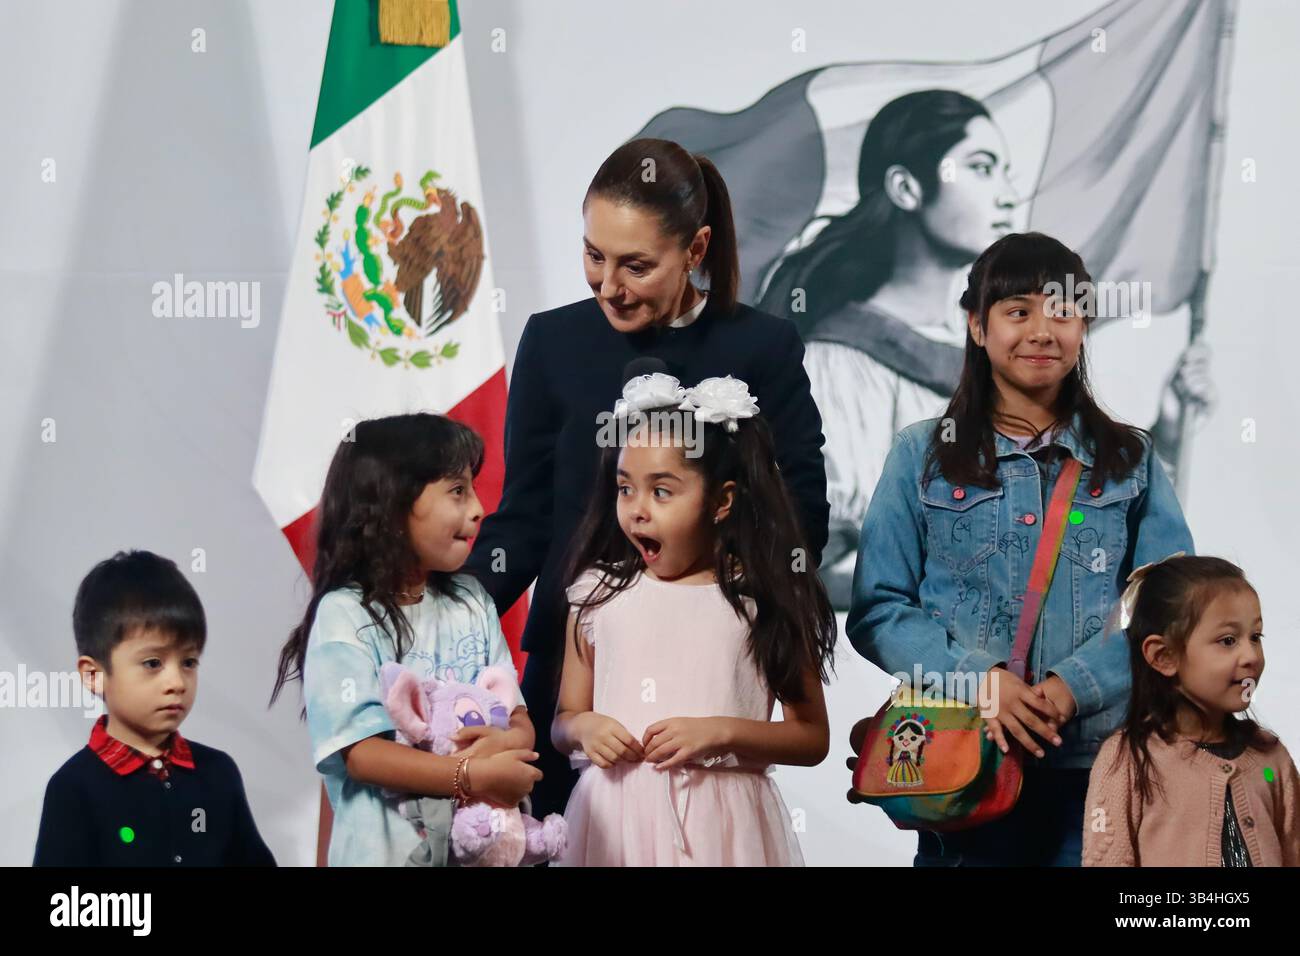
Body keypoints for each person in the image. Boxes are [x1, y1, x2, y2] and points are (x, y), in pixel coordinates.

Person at [463, 137, 830, 818]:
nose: (607, 285)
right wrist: (442, 612)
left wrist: (713, 590)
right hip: (575, 666)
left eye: (635, 265)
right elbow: (524, 516)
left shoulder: (762, 346)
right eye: (593, 256)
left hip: (709, 665)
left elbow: (801, 509)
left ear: (696, 251)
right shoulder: (553, 341)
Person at [760, 89, 1212, 608]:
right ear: (907, 188)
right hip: (910, 670)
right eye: (981, 167)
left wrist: (1170, 432)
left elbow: (1090, 519)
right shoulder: (838, 366)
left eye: (1005, 171)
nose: (1006, 194)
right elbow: (798, 561)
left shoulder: (1017, 351)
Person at [848, 232, 1194, 866]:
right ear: (978, 326)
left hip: (1098, 766)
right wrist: (979, 682)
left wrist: (1072, 687)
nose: (1042, 330)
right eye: (1017, 312)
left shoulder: (1133, 462)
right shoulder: (920, 455)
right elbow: (879, 610)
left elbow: (1170, 615)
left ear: (1084, 325)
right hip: (962, 764)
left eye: (1062, 311)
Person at [551, 374, 835, 864]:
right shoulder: (597, 594)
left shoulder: (763, 600)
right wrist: (585, 729)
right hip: (615, 825)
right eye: (625, 489)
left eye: (661, 492)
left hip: (725, 827)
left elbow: (810, 736)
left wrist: (720, 731)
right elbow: (564, 719)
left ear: (722, 501)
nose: (636, 511)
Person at [271, 413, 539, 866]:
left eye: (473, 488)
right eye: (457, 491)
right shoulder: (344, 615)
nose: (477, 509)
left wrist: (509, 742)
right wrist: (470, 774)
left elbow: (517, 717)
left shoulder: (473, 600)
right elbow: (363, 755)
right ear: (392, 504)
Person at [35, 550, 274, 866]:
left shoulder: (218, 772)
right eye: (152, 663)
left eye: (188, 662)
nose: (177, 682)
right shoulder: (73, 788)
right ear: (94, 675)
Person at [1083, 554, 1299, 866]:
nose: (1251, 655)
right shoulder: (1125, 761)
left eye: (1255, 636)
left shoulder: (1272, 758)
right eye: (1228, 640)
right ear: (1164, 657)